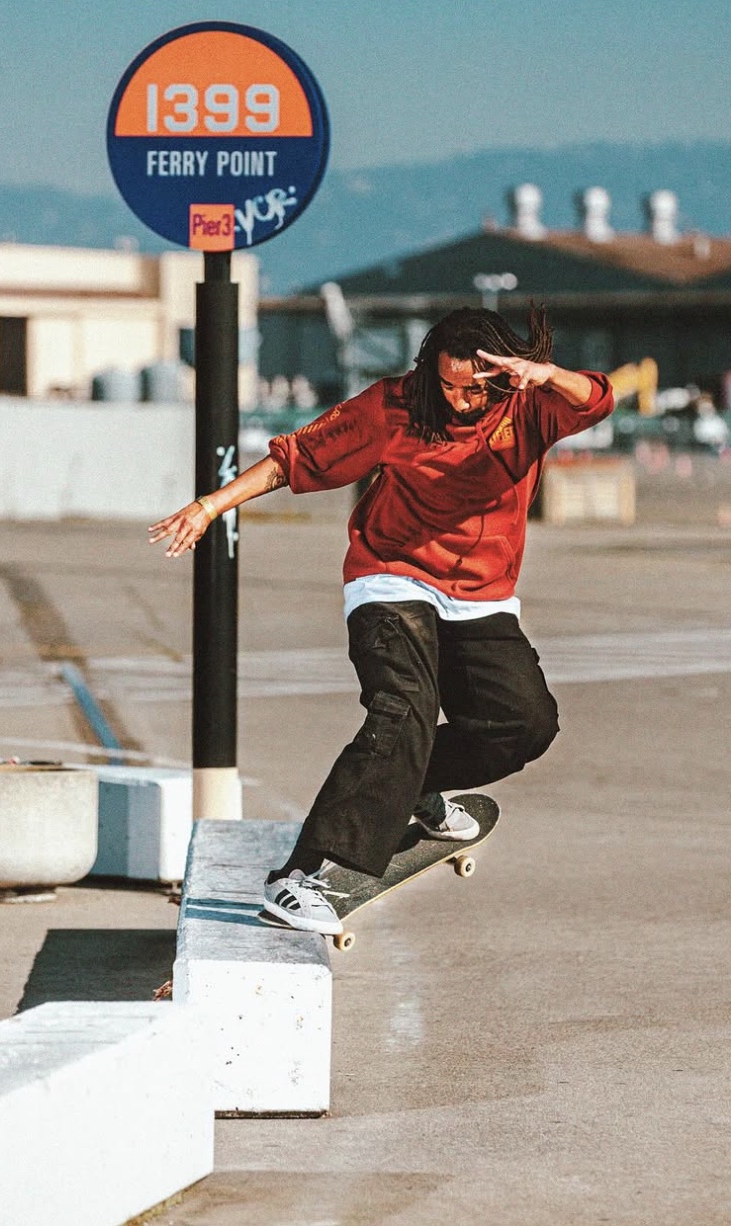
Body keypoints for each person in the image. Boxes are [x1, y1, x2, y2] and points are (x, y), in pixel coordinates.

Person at [149, 305, 614, 935]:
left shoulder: (529, 404)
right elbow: (296, 458)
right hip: (390, 576)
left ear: (504, 375)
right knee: (404, 708)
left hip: (481, 595)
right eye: (448, 386)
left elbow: (597, 399)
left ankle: (413, 788)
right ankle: (305, 875)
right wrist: (209, 506)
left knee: (524, 724)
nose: (460, 401)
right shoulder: (394, 406)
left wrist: (547, 373)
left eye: (474, 388)